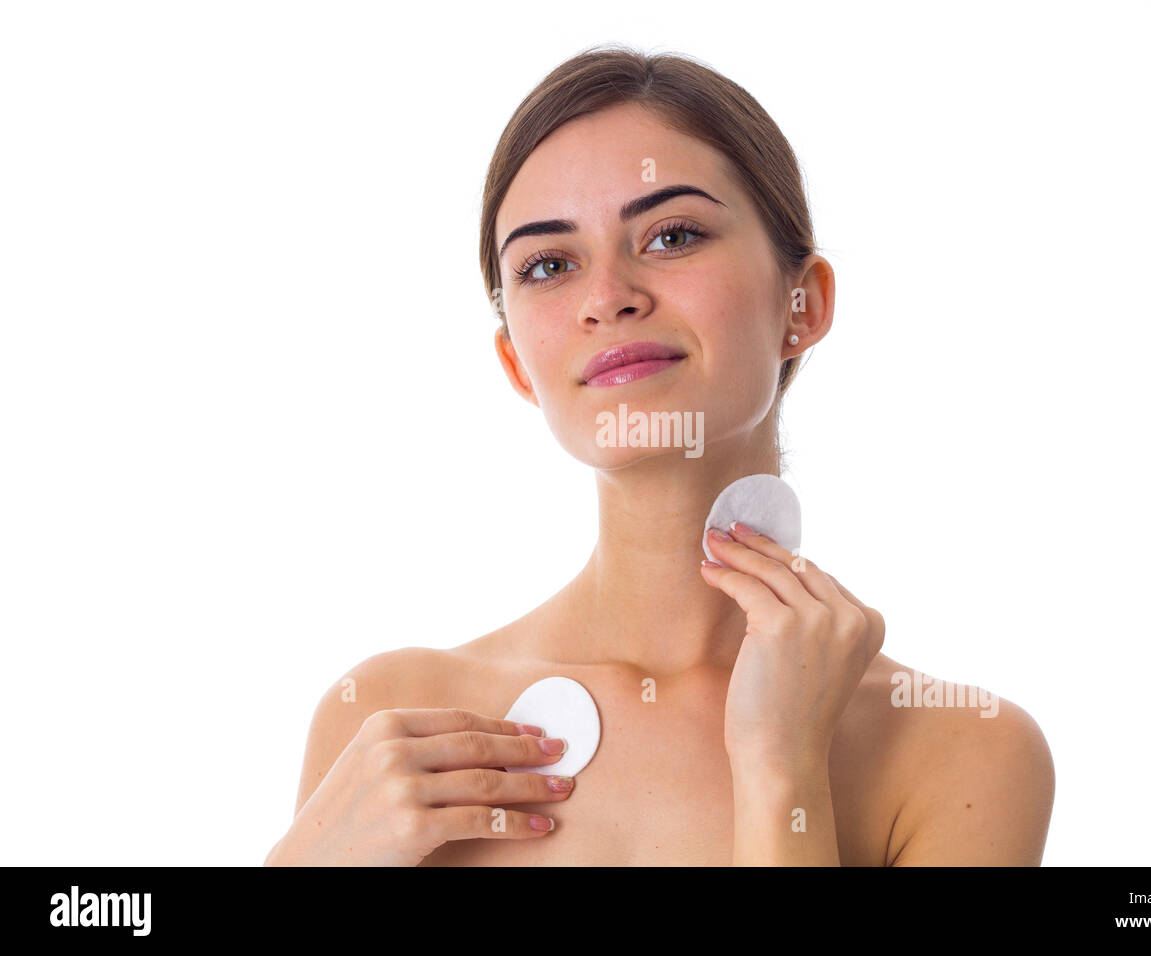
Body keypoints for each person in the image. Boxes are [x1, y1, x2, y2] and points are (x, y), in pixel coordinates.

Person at [264, 44, 1054, 866]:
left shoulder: (962, 754)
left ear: (803, 303)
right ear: (516, 367)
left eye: (672, 235)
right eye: (549, 264)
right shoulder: (396, 729)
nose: (607, 298)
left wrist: (782, 772)